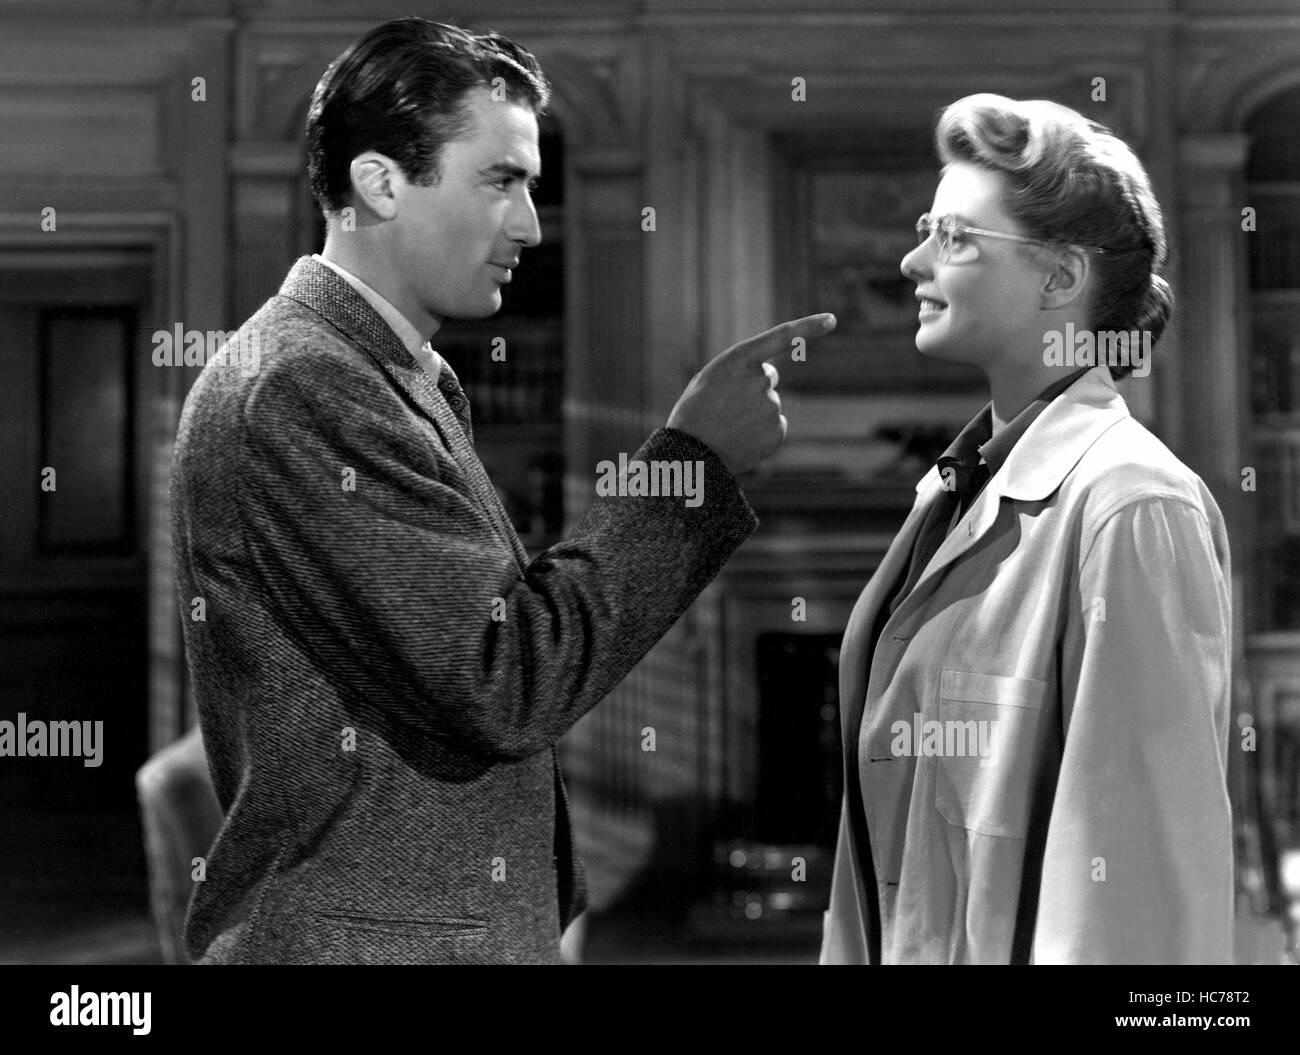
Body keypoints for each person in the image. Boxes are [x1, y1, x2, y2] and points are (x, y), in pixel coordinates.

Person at [169, 17, 834, 965]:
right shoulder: (305, 386)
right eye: (501, 181)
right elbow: (506, 672)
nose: (527, 222)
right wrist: (691, 467)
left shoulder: (394, 375)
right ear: (381, 182)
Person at [820, 93, 1233, 964]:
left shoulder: (1132, 506)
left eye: (956, 236)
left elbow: (1138, 909)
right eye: (927, 229)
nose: (911, 259)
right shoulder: (950, 492)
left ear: (1060, 275)